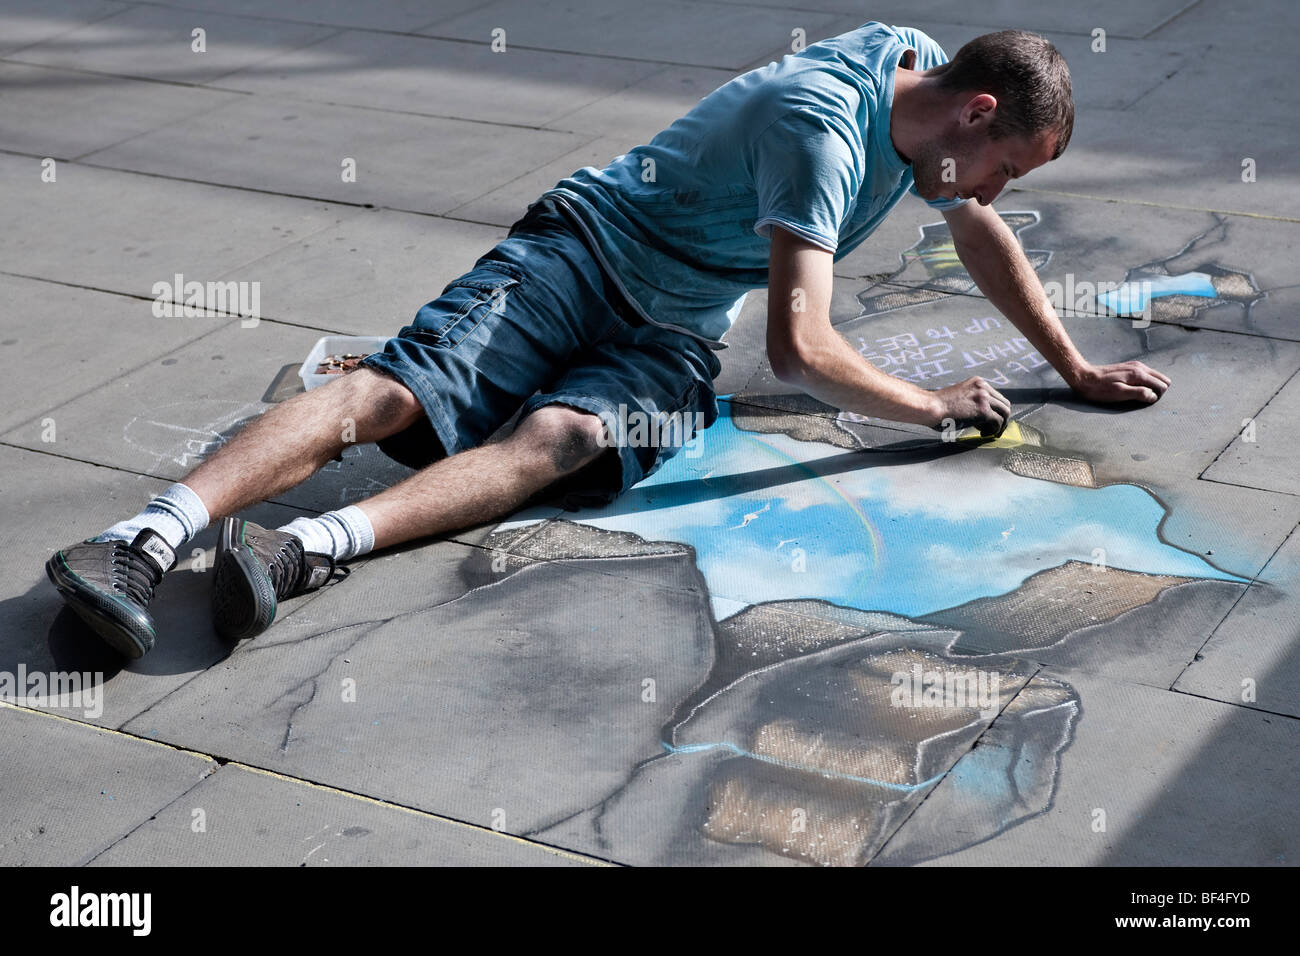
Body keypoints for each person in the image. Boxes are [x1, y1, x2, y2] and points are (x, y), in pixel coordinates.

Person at [46, 23, 1170, 659]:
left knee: (569, 436)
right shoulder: (823, 137)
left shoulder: (916, 74)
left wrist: (1066, 367)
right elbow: (801, 350)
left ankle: (304, 549)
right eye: (1006, 165)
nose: (993, 191)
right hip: (582, 245)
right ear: (975, 114)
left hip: (672, 324)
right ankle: (141, 539)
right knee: (392, 393)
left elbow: (975, 233)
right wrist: (934, 408)